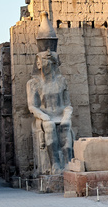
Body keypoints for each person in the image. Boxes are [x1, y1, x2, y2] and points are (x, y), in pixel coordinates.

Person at [27, 13, 74, 174]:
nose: (46, 64)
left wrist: (67, 115)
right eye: (43, 61)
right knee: (49, 126)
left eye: (49, 61)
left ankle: (69, 163)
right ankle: (55, 164)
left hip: (59, 115)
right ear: (38, 64)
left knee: (66, 126)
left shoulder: (61, 81)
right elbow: (32, 107)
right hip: (44, 117)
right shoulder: (33, 83)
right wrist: (44, 116)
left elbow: (67, 104)